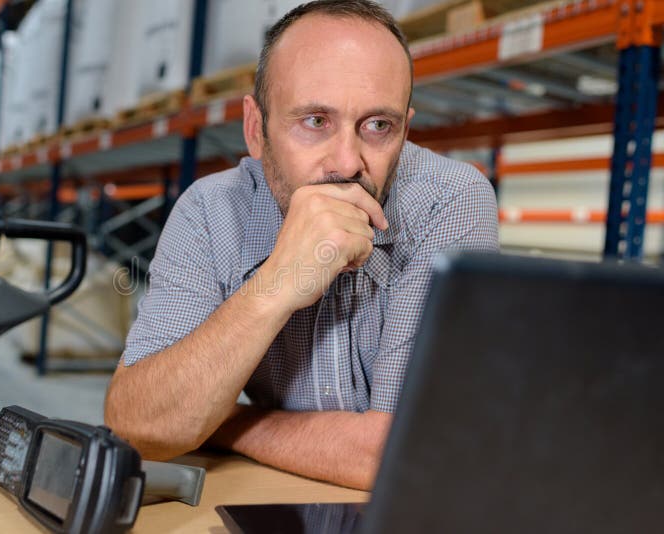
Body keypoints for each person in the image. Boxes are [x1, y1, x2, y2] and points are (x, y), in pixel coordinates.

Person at [104, 0, 499, 490]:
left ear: (406, 128)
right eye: (315, 121)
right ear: (255, 128)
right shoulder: (210, 210)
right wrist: (275, 285)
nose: (348, 162)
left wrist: (223, 420)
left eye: (379, 126)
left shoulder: (450, 200)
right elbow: (137, 422)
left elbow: (405, 453)